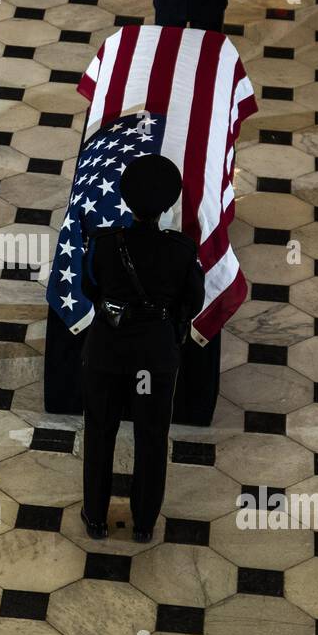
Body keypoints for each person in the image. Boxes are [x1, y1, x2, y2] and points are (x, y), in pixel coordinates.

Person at [79, 155, 204, 542]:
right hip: (152, 363)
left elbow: (90, 290)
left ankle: (96, 519)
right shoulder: (181, 251)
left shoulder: (102, 244)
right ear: (168, 205)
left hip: (107, 357)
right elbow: (192, 302)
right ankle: (145, 522)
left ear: (126, 198)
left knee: (100, 431)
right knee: (151, 435)